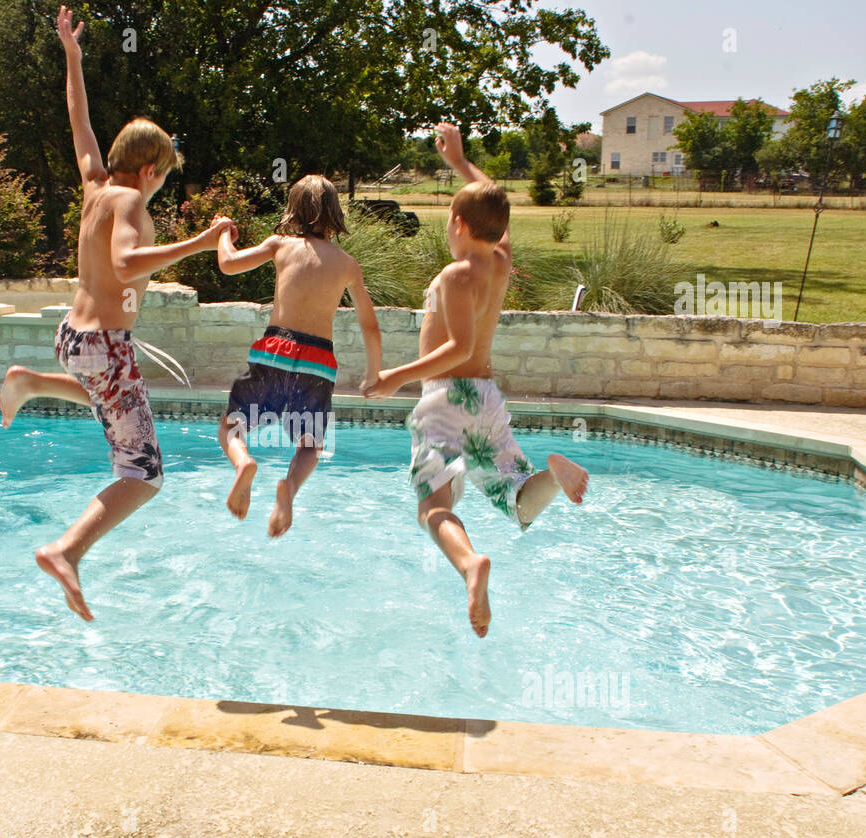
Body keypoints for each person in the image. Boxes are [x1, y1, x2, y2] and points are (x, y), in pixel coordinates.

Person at [0, 7, 233, 620]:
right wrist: (200, 242)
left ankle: (28, 382)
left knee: (103, 394)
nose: (156, 190)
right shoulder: (129, 199)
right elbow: (128, 263)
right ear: (152, 169)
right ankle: (67, 550)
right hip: (105, 345)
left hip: (73, 338)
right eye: (162, 181)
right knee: (145, 473)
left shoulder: (96, 184)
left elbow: (79, 121)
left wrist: (72, 58)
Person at [364, 123, 589, 637]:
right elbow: (498, 218)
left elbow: (458, 349)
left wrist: (395, 377)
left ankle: (469, 565)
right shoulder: (500, 262)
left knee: (433, 508)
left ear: (459, 224)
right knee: (517, 502)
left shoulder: (456, 274)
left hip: (446, 399)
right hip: (486, 398)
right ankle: (552, 476)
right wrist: (461, 163)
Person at [215, 174, 382, 536]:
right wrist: (375, 373)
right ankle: (288, 488)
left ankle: (243, 463)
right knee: (310, 445)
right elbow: (370, 325)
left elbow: (228, 264)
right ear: (335, 214)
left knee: (231, 426)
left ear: (293, 210)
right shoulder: (347, 264)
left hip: (276, 348)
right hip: (318, 362)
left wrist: (223, 234)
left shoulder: (280, 245)